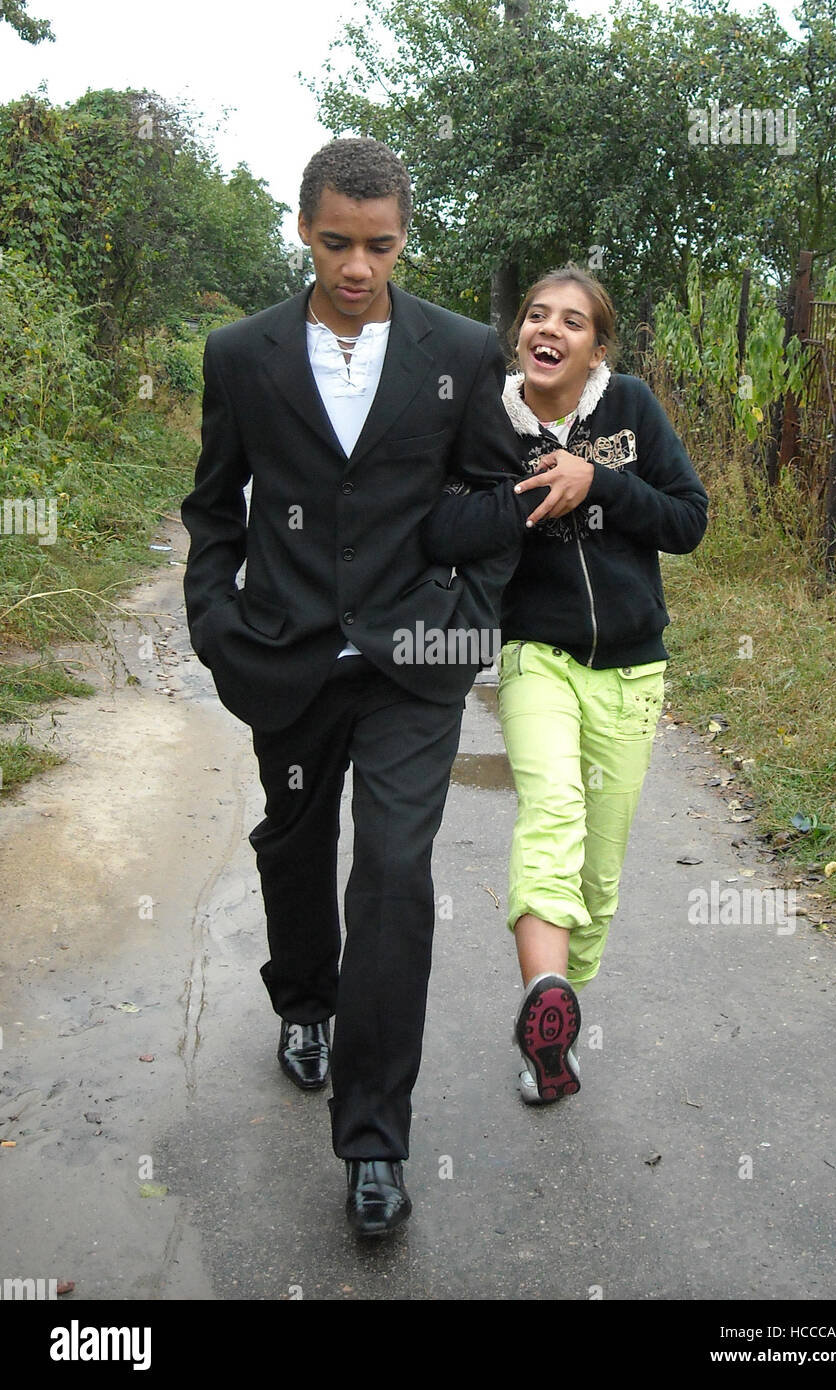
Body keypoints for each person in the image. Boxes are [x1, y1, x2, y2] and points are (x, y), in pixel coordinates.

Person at [181, 137, 525, 1233]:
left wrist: (467, 621)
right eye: (337, 242)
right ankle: (305, 1002)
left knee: (389, 868)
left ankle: (375, 1140)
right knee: (293, 841)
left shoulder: (462, 351)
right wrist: (218, 627)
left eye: (379, 245)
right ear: (303, 230)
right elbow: (211, 510)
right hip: (283, 652)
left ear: (403, 236)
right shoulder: (240, 354)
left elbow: (494, 495)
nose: (358, 268)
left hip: (414, 661)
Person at [423, 265, 709, 1103]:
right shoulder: (486, 420)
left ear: (596, 346)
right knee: (552, 815)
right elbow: (439, 523)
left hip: (632, 666)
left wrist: (602, 483)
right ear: (520, 334)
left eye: (573, 322)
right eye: (537, 317)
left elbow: (688, 519)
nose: (550, 330)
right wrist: (520, 501)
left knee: (599, 874)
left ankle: (559, 1014)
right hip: (534, 655)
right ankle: (539, 999)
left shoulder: (629, 409)